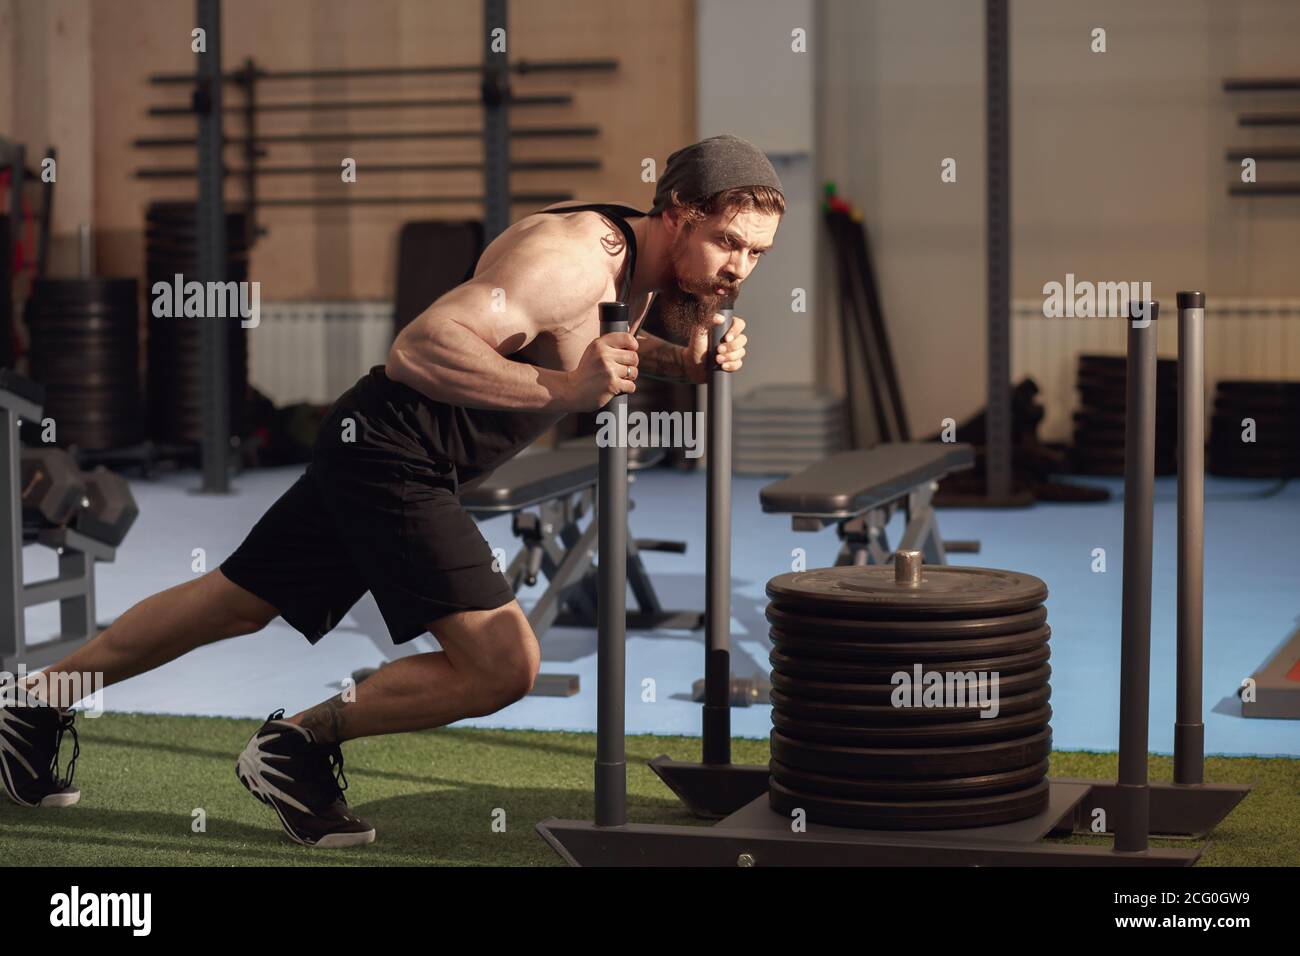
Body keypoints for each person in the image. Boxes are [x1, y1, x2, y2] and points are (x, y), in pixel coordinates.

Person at [0, 134, 784, 847]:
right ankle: (296, 745)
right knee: (503, 666)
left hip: (382, 449)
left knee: (234, 601)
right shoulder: (575, 258)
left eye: (755, 254)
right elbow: (422, 346)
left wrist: (683, 362)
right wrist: (563, 390)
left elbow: (590, 337)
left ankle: (32, 703)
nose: (739, 270)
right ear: (677, 213)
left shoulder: (636, 266)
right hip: (394, 456)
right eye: (729, 244)